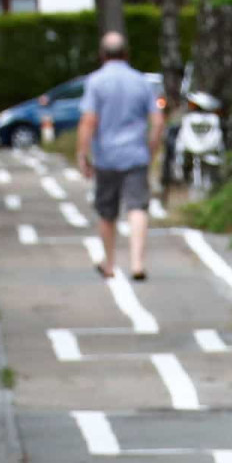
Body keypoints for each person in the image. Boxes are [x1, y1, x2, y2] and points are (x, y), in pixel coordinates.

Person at [76, 31, 165, 280]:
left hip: (106, 156)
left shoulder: (95, 82)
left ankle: (110, 263)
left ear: (102, 55)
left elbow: (88, 120)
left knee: (106, 211)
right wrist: (152, 148)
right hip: (136, 154)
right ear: (127, 54)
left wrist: (82, 154)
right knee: (137, 207)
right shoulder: (141, 82)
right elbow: (157, 121)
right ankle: (137, 263)